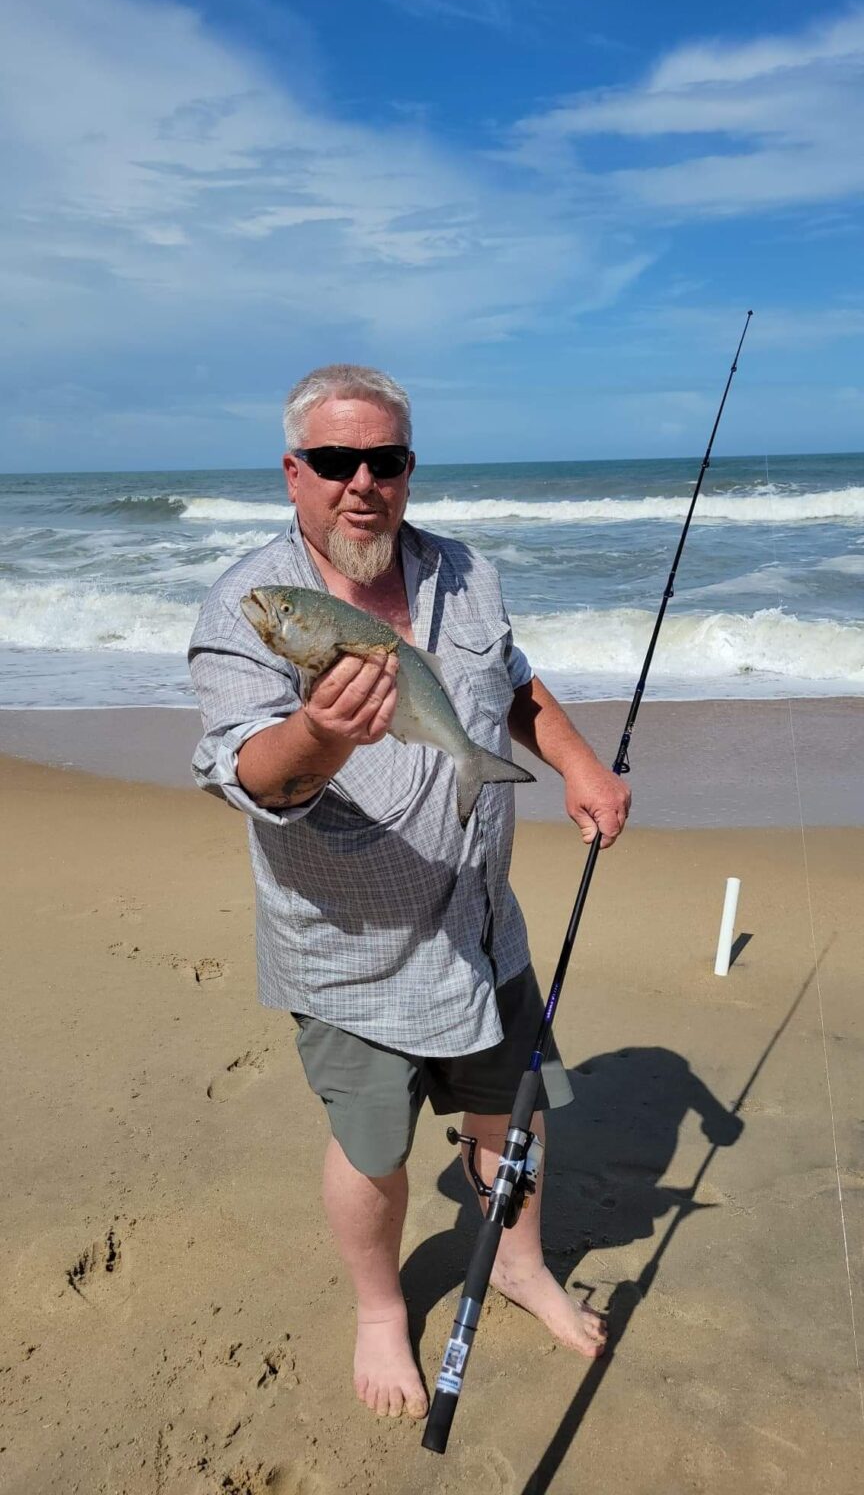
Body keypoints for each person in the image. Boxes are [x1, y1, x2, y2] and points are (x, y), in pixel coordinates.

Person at [189, 364, 630, 1421]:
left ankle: (519, 1263)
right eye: (335, 462)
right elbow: (252, 775)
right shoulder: (250, 610)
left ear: (408, 471)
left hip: (482, 924)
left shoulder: (464, 573)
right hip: (354, 953)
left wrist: (575, 762)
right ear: (294, 473)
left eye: (383, 460)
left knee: (508, 1117)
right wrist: (321, 734)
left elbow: (512, 682)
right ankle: (381, 1308)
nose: (361, 483)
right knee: (373, 1150)